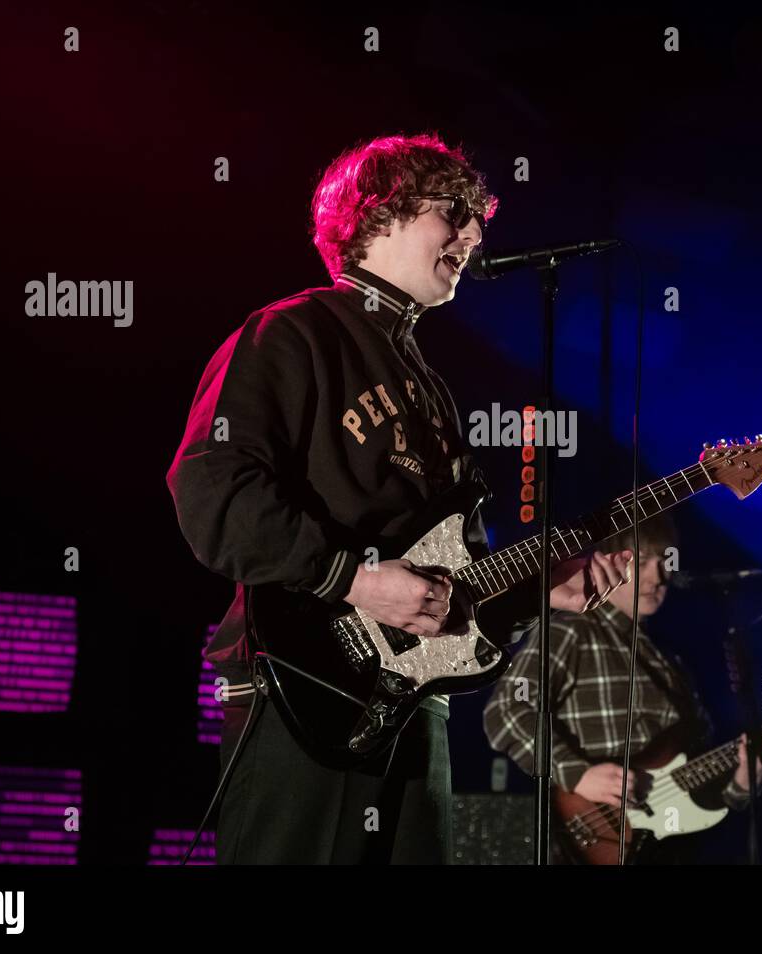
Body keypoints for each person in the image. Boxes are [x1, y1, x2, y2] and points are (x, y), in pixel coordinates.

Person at [166, 132, 632, 864]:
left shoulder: (430, 384)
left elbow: (451, 580)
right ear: (376, 213)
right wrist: (355, 581)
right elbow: (212, 490)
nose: (475, 236)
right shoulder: (291, 332)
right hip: (305, 685)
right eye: (456, 211)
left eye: (479, 219)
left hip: (413, 705)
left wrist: (544, 589)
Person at [484, 515, 762, 863]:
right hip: (593, 828)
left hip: (666, 847)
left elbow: (691, 777)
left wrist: (740, 785)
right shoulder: (573, 629)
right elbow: (505, 711)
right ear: (610, 561)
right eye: (642, 560)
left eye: (665, 561)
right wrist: (577, 774)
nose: (658, 576)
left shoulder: (671, 662)